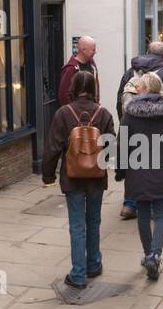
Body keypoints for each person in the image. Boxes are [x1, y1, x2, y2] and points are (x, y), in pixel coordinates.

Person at [42, 70, 117, 288]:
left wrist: (48, 175)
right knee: (94, 220)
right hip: (96, 177)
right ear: (94, 88)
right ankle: (94, 264)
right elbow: (112, 148)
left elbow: (52, 148)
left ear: (73, 88)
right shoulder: (103, 114)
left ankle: (78, 274)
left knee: (77, 225)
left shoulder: (63, 113)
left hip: (72, 177)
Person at [116, 73, 163, 281]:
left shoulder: (131, 114)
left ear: (144, 89)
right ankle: (156, 254)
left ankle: (148, 254)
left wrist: (121, 170)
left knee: (143, 212)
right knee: (161, 213)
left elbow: (123, 144)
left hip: (139, 170)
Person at [116, 41, 163, 220]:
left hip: (132, 122)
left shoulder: (131, 71)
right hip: (161, 128)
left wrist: (124, 120)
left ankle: (130, 204)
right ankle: (158, 204)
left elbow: (119, 98)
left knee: (134, 164)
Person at [57, 35, 99, 108]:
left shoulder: (93, 66)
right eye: (93, 50)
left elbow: (96, 90)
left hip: (91, 113)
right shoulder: (70, 69)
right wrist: (73, 113)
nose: (95, 52)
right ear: (83, 50)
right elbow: (63, 95)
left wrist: (96, 107)